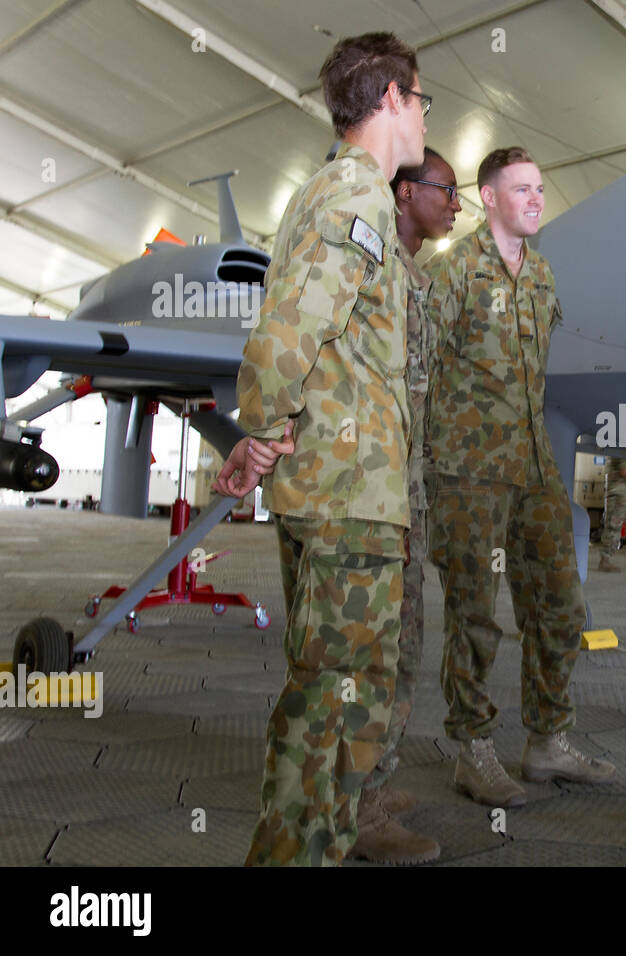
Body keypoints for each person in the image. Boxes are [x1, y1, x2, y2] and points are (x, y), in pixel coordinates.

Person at [214, 32, 430, 866]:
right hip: (349, 501)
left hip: (333, 492)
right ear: (390, 99)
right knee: (336, 707)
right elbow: (284, 338)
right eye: (419, 101)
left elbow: (304, 334)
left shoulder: (320, 191)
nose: (419, 119)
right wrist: (263, 429)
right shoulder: (358, 196)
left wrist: (264, 439)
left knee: (326, 699)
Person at [425, 146, 615, 808]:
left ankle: (546, 744)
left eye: (540, 188)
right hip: (468, 472)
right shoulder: (451, 275)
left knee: (561, 604)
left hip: (534, 469)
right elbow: (416, 367)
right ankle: (473, 751)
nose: (537, 199)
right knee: (475, 613)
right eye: (522, 189)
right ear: (488, 197)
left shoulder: (541, 277)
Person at [347, 147, 461, 864]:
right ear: (406, 190)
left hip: (405, 495)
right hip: (370, 496)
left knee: (403, 647)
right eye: (447, 190)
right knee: (372, 652)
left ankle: (372, 784)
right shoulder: (372, 261)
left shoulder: (416, 275)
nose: (456, 204)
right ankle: (355, 811)